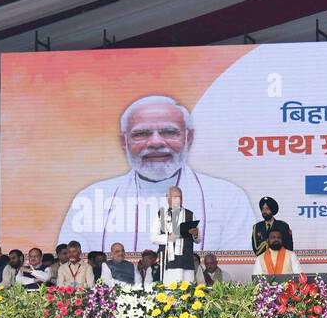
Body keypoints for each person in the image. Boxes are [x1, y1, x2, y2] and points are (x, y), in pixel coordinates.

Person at [58, 94, 259, 252]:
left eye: (169, 132)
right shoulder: (91, 198)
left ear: (189, 138)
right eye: (141, 133)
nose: (155, 142)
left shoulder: (228, 197)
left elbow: (237, 270)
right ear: (123, 142)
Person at [150, 185, 201, 284]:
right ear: (167, 198)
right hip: (169, 262)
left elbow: (198, 240)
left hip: (186, 262)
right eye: (175, 197)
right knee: (170, 294)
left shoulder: (190, 214)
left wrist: (195, 234)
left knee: (187, 292)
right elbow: (153, 237)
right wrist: (168, 238)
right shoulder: (162, 214)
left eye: (180, 197)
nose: (178, 200)